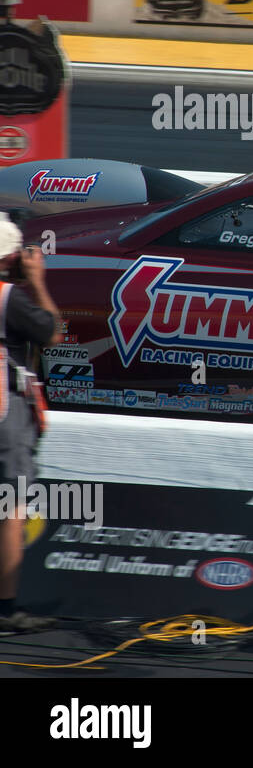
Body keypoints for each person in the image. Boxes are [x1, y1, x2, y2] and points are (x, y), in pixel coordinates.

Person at [0, 216, 59, 633]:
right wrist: (36, 281)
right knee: (10, 506)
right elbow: (53, 333)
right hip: (6, 413)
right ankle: (5, 611)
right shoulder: (10, 299)